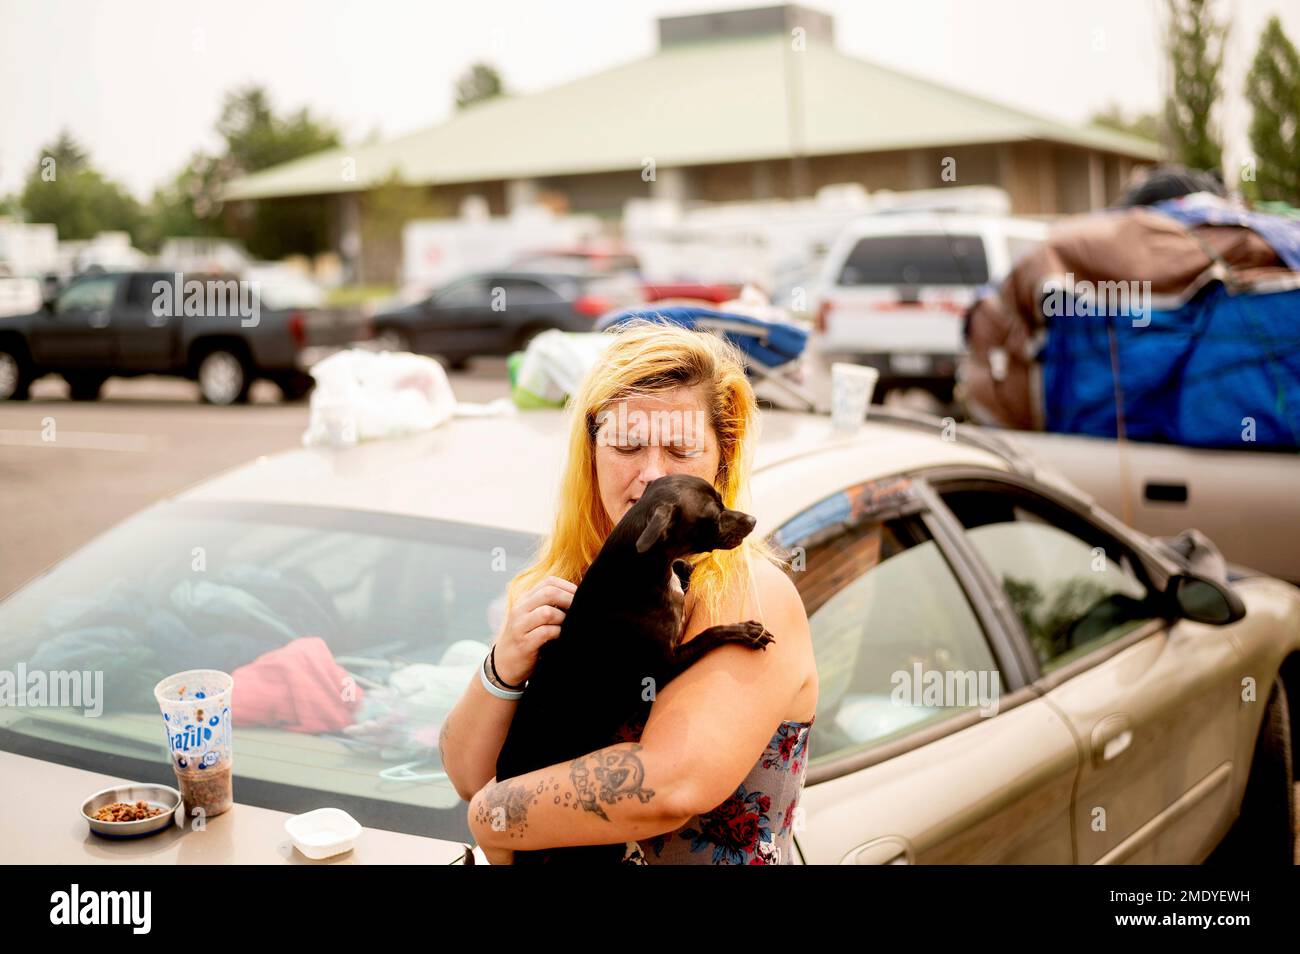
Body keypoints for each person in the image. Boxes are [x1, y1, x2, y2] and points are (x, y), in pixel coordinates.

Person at [440, 317, 819, 864]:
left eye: (681, 452)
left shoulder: (751, 593)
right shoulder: (572, 586)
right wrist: (504, 667)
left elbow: (668, 787)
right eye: (628, 444)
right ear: (591, 453)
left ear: (722, 460)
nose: (650, 475)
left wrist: (491, 818)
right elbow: (466, 773)